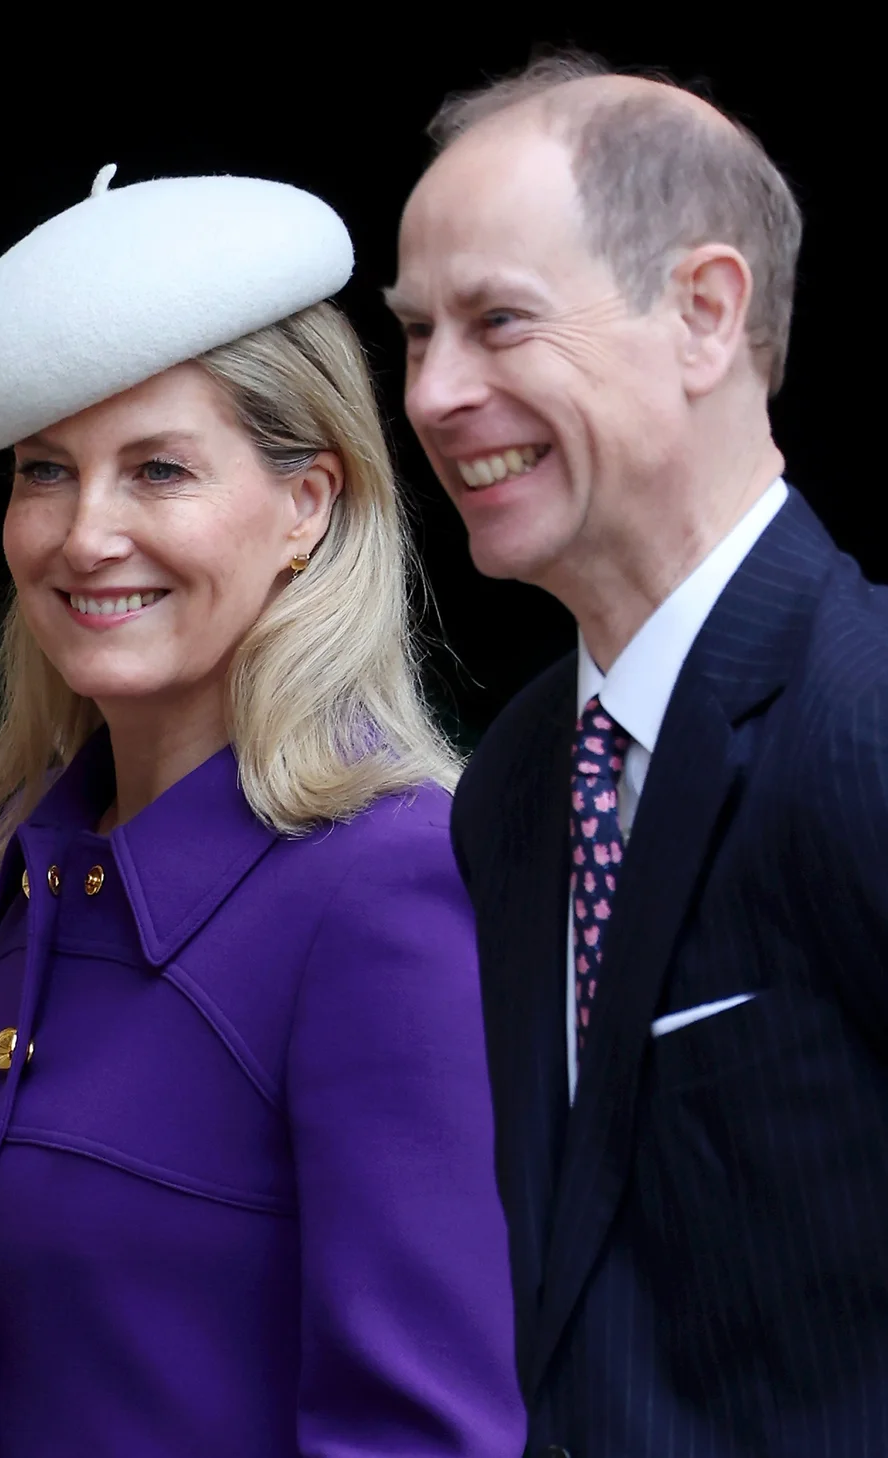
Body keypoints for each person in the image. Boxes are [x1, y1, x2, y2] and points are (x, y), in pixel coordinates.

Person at [0, 167, 525, 1458]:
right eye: (45, 472)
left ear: (309, 503)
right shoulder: (45, 872)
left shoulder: (388, 890)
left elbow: (420, 1436)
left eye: (159, 469)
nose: (85, 533)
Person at [387, 48, 888, 1458]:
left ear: (705, 313)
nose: (432, 392)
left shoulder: (862, 718)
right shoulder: (518, 776)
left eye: (497, 321)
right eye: (418, 333)